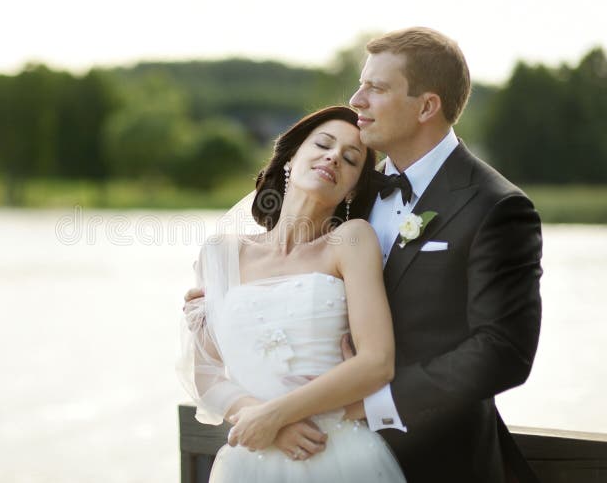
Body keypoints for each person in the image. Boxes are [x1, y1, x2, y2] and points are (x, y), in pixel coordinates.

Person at [184, 27, 543, 482]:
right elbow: (292, 284)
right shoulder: (354, 194)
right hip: (296, 450)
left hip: (439, 461)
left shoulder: (496, 206)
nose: (357, 99)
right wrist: (222, 309)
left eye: (375, 87)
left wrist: (365, 404)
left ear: (426, 106)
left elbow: (502, 352)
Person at [177, 105, 407, 482]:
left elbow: (377, 363)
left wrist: (276, 414)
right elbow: (207, 371)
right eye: (323, 144)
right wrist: (262, 420)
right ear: (291, 158)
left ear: (352, 187)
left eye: (350, 159)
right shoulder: (222, 252)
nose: (333, 156)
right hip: (253, 456)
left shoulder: (351, 241)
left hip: (336, 453)